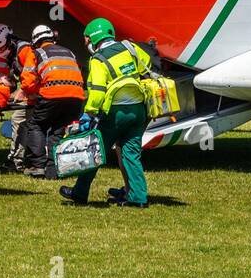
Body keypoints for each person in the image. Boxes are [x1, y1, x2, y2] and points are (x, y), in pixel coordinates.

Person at [60, 18, 152, 207]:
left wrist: (88, 114)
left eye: (86, 39)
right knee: (131, 154)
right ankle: (138, 198)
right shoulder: (130, 48)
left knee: (94, 151)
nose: (86, 43)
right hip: (139, 110)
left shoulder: (98, 59)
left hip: (115, 114)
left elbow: (97, 92)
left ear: (93, 37)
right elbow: (148, 63)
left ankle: (79, 193)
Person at [18, 25, 86, 178]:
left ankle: (38, 165)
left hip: (52, 94)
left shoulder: (36, 53)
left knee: (36, 125)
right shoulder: (69, 52)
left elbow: (27, 84)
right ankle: (53, 170)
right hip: (76, 97)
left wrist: (35, 91)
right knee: (58, 130)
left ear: (35, 41)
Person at [0, 23, 29, 171]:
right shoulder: (5, 55)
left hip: (39, 90)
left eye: (2, 48)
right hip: (31, 91)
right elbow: (1, 81)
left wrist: (23, 90)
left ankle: (16, 161)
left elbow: (33, 75)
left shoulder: (24, 50)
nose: (0, 51)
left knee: (19, 120)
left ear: (9, 40)